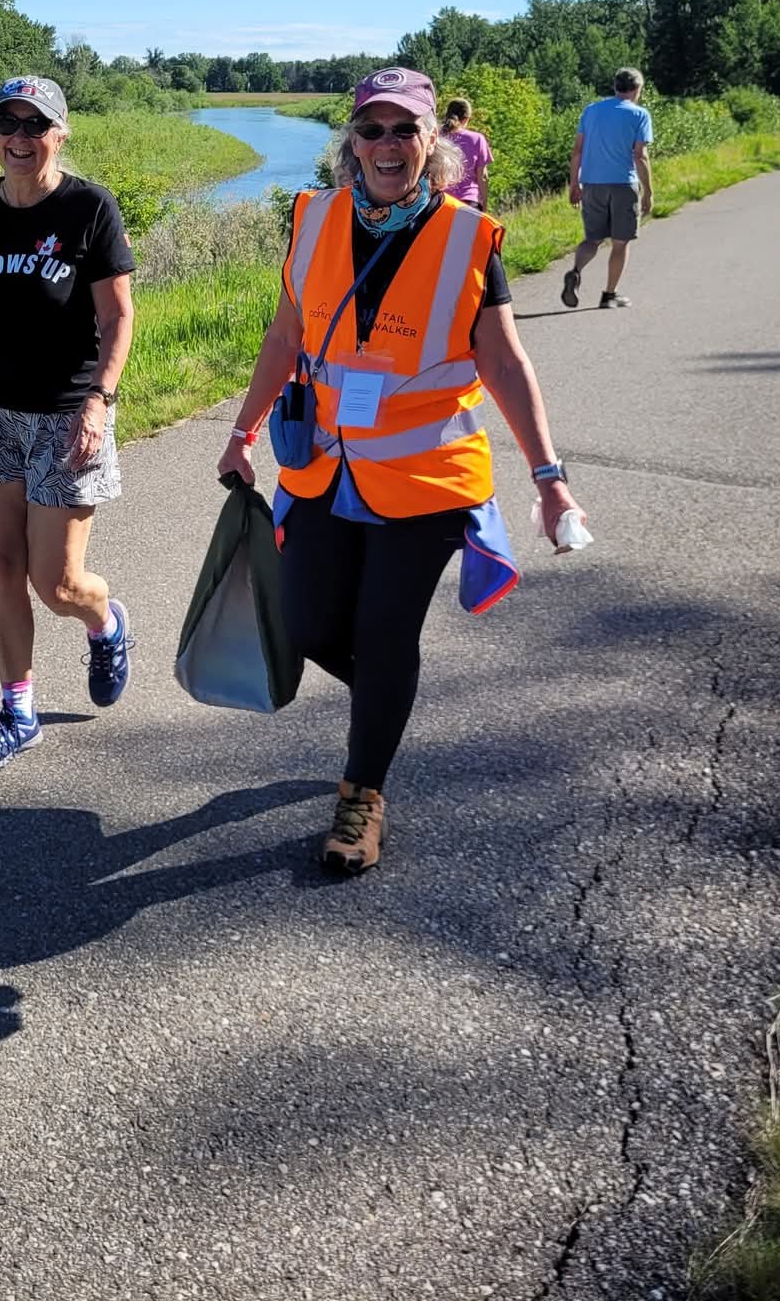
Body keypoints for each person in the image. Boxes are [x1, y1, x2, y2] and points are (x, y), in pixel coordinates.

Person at [217, 66, 585, 876]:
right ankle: (384, 702)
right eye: (371, 129)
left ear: (432, 141)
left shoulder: (466, 235)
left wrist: (548, 475)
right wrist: (243, 430)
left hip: (424, 476)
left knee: (385, 633)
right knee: (308, 627)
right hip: (320, 467)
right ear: (350, 141)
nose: (387, 144)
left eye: (404, 129)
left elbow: (504, 361)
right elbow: (285, 338)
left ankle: (363, 794)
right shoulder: (312, 218)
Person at [0, 75, 137, 773]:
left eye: (34, 125)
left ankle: (105, 623)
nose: (19, 137)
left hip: (66, 417)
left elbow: (116, 316)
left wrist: (101, 400)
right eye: (6, 123)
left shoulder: (89, 209)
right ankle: (18, 708)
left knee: (57, 584)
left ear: (60, 133)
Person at [561, 68, 654, 310]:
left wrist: (574, 184)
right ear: (637, 89)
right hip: (623, 184)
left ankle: (575, 271)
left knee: (592, 238)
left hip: (592, 183)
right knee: (620, 242)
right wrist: (649, 191)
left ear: (615, 87)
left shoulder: (591, 111)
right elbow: (640, 156)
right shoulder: (639, 114)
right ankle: (609, 295)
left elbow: (577, 151)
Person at [441, 95, 492, 210]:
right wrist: (484, 203)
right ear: (466, 118)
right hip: (468, 201)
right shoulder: (477, 139)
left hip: (440, 202)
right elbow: (483, 176)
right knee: (465, 229)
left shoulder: (435, 138)